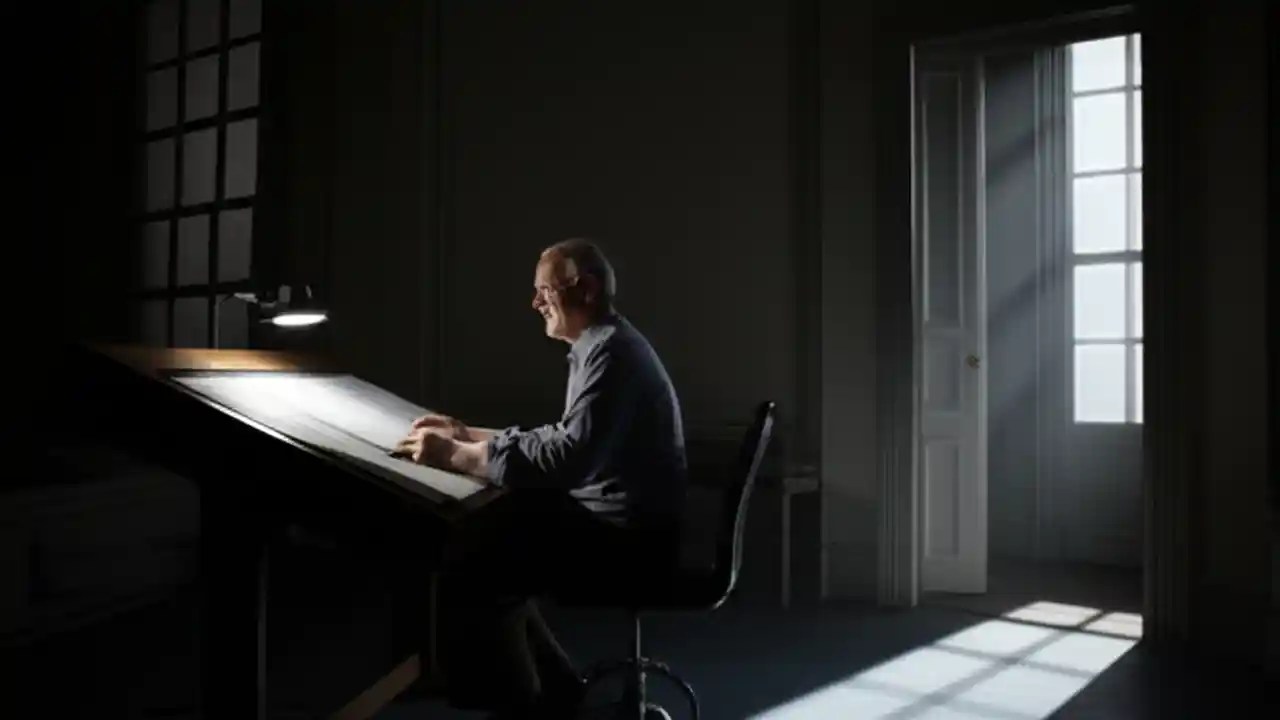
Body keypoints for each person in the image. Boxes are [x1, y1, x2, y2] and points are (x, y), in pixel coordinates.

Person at [397, 239, 687, 718]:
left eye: (544, 291)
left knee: (479, 565)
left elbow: (567, 461)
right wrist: (469, 435)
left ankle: (528, 709)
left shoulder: (610, 354)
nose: (535, 303)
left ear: (586, 289)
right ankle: (561, 698)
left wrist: (455, 456)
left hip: (629, 543)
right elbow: (563, 438)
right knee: (497, 551)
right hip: (625, 528)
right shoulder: (602, 345)